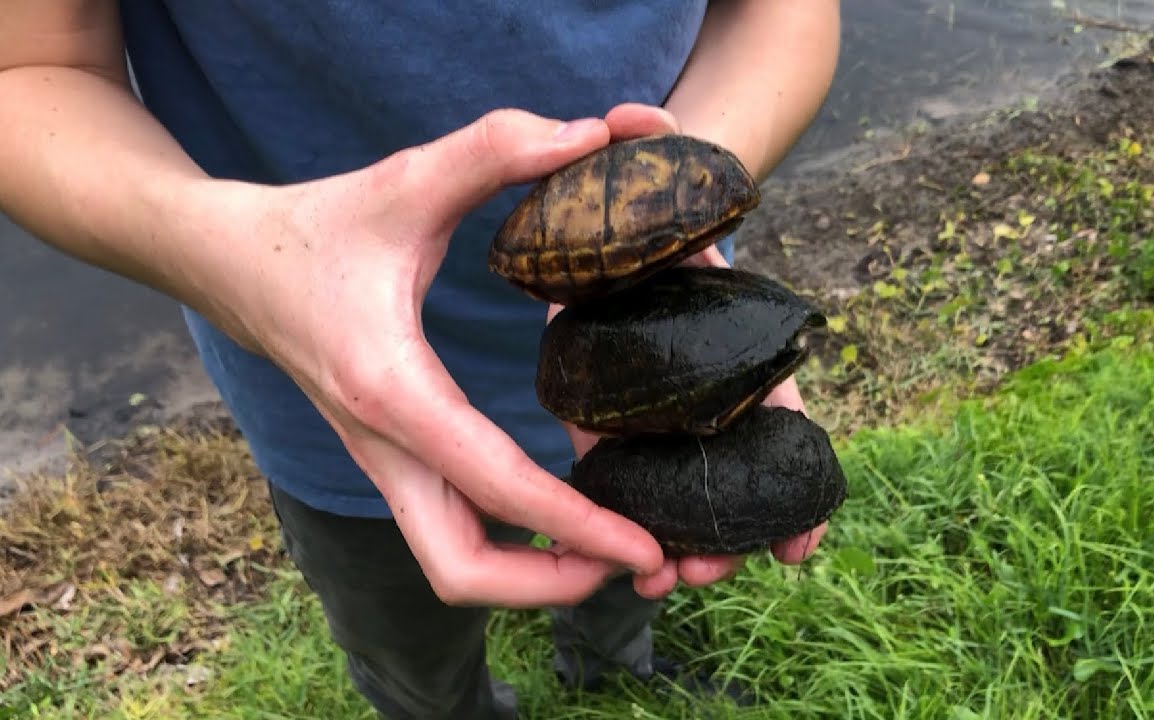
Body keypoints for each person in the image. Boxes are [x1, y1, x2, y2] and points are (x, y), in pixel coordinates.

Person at [0, 2, 842, 717]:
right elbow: (31, 68)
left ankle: (612, 667)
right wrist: (233, 259)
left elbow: (779, 12)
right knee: (411, 649)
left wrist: (666, 190)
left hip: (660, 342)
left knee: (632, 565)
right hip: (327, 390)